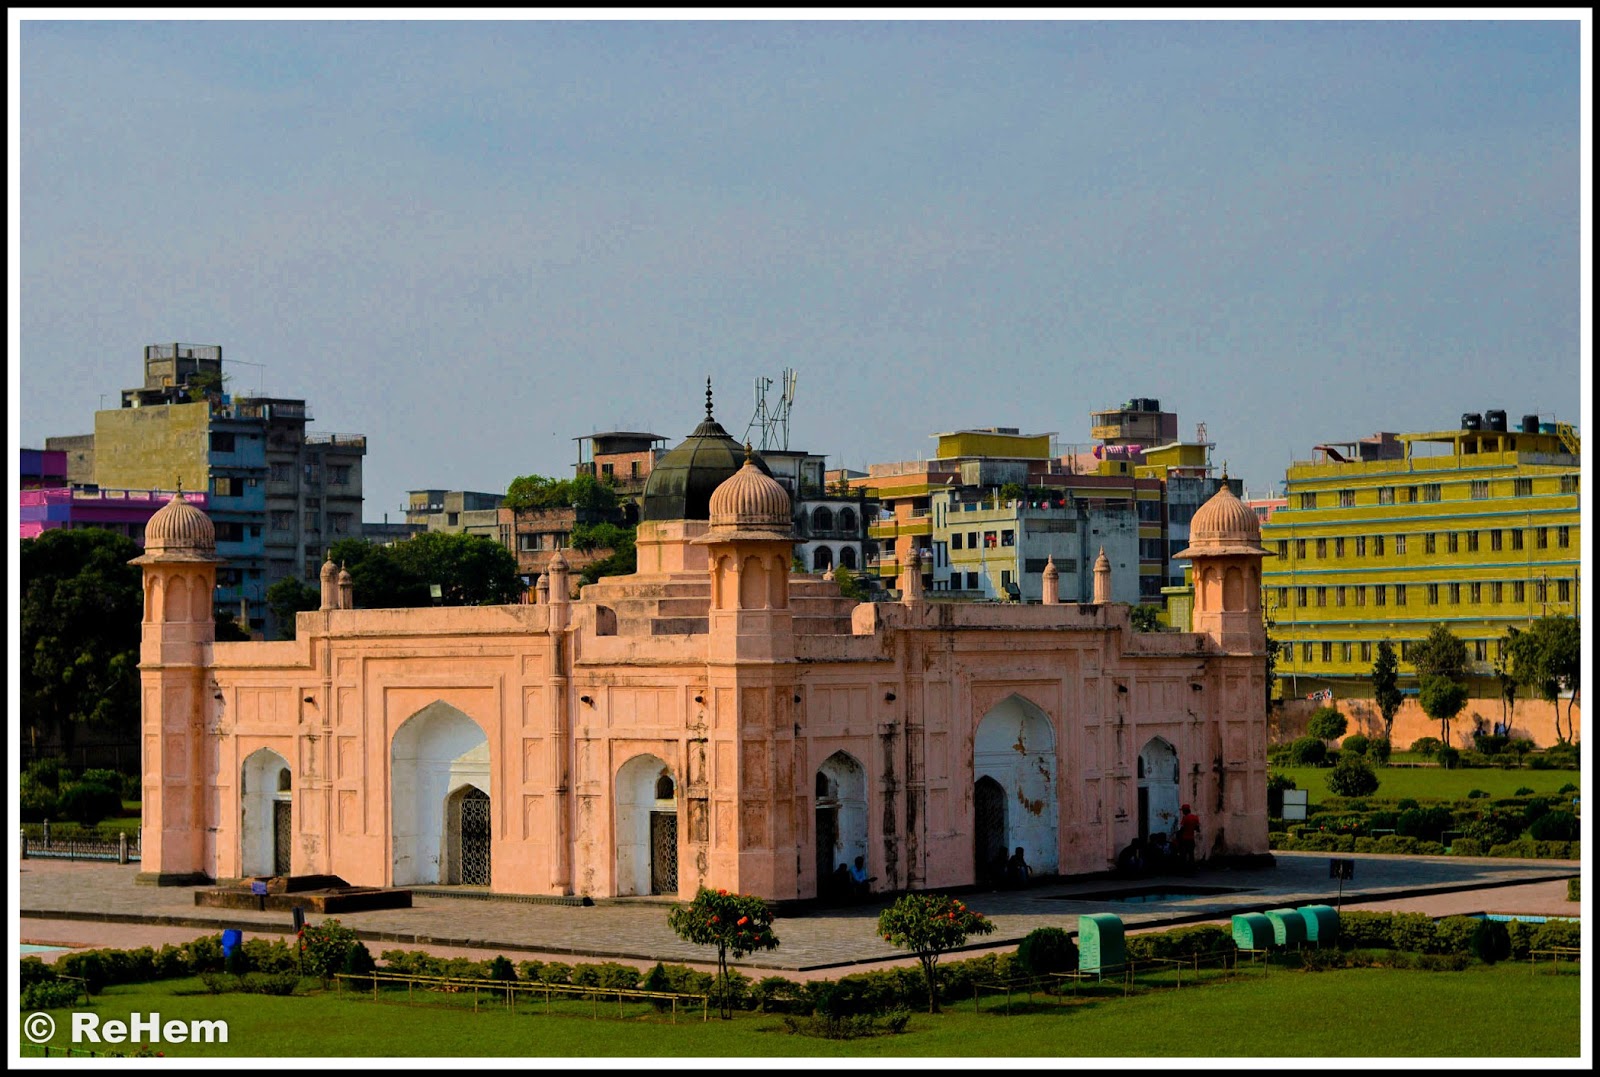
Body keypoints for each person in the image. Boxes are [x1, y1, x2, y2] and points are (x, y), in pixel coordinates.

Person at [1176, 804, 1201, 870]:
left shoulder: (1185, 818)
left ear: (1185, 810)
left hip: (1184, 839)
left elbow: (1182, 829)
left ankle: (1184, 869)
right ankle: (1192, 868)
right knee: (1191, 854)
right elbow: (1197, 828)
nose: (1182, 812)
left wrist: (1178, 834)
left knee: (1183, 854)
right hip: (1191, 839)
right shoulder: (1195, 817)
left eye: (1183, 811)